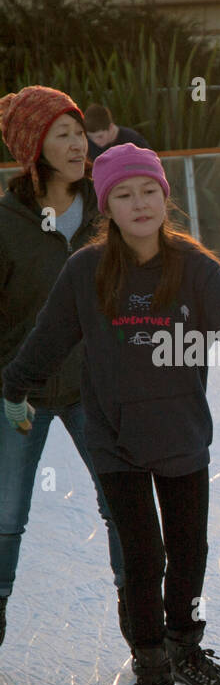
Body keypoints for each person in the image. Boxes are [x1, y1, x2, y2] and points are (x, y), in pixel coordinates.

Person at [2, 145, 220, 685]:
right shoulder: (85, 272)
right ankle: (151, 666)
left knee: (189, 550)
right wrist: (15, 387)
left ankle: (185, 648)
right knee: (144, 558)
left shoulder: (195, 268)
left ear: (165, 197)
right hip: (113, 438)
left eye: (148, 191)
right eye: (123, 194)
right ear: (106, 205)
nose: (138, 203)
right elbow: (48, 338)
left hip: (181, 435)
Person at [0, 86, 126, 654]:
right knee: (6, 512)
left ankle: (143, 622)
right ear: (35, 147)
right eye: (63, 134)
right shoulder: (6, 221)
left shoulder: (108, 207)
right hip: (17, 391)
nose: (79, 144)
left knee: (122, 502)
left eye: (80, 131)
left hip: (94, 387)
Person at [83, 104, 148, 162]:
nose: (95, 141)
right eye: (90, 137)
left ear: (111, 127)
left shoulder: (134, 141)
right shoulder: (88, 144)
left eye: (100, 136)